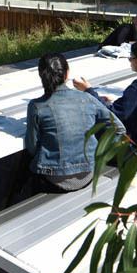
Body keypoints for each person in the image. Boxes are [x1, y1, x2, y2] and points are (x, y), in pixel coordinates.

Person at [23, 53, 125, 193]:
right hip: (88, 173)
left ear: (41, 76)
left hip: (53, 177)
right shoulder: (87, 98)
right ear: (67, 74)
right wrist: (98, 153)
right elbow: (119, 128)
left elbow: (31, 147)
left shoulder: (36, 106)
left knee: (25, 169)